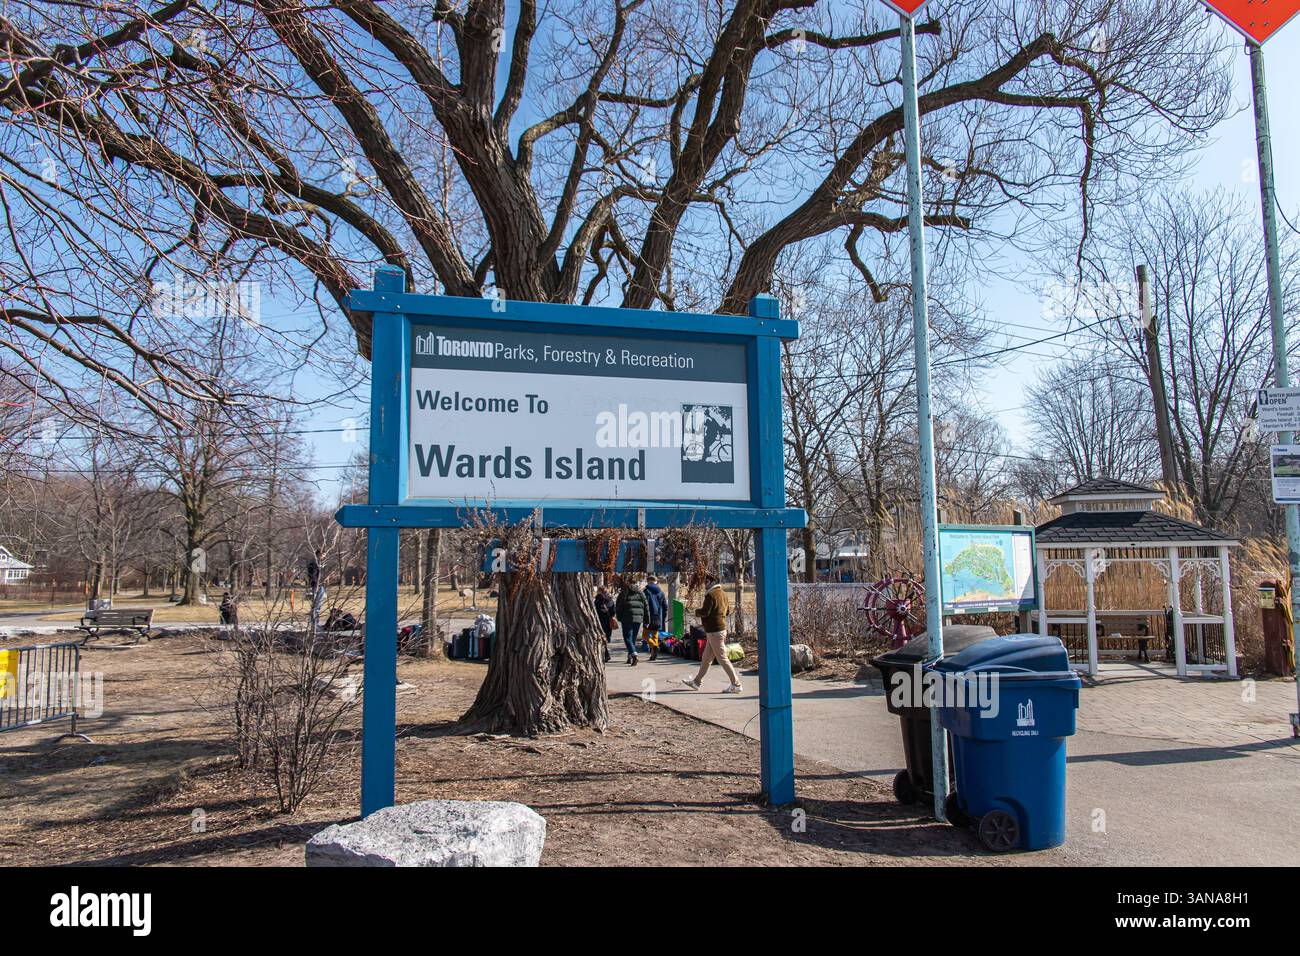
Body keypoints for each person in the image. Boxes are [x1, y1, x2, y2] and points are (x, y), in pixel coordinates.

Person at [679, 571, 742, 693]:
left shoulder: (711, 595)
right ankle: (696, 682)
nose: (704, 584)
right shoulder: (723, 593)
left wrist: (695, 611)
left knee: (722, 658)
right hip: (719, 630)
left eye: (706, 582)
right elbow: (727, 611)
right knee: (706, 658)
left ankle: (736, 684)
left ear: (713, 582)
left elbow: (705, 612)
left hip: (714, 631)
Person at [615, 578, 648, 666]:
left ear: (628, 583)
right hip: (638, 619)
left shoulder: (624, 593)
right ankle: (630, 657)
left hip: (626, 618)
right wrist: (647, 620)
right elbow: (646, 606)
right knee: (632, 638)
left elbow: (618, 606)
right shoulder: (641, 593)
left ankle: (634, 654)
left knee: (628, 638)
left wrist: (619, 617)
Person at [643, 575, 668, 662]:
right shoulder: (661, 592)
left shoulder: (646, 591)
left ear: (648, 581)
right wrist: (663, 616)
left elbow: (645, 604)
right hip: (658, 616)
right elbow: (665, 606)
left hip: (649, 616)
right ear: (656, 581)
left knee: (645, 636)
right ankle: (653, 654)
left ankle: (654, 646)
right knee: (655, 635)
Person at [594, 586, 615, 664]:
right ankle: (606, 654)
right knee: (605, 637)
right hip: (608, 621)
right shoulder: (610, 599)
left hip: (600, 621)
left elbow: (597, 609)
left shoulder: (599, 599)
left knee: (601, 637)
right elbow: (613, 611)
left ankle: (606, 655)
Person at [307, 548, 326, 632]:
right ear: (319, 554)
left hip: (321, 585)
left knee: (318, 606)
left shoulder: (320, 563)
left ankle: (316, 624)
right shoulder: (314, 563)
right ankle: (314, 625)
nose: (324, 556)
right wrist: (316, 583)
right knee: (316, 606)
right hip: (317, 586)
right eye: (323, 554)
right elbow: (313, 576)